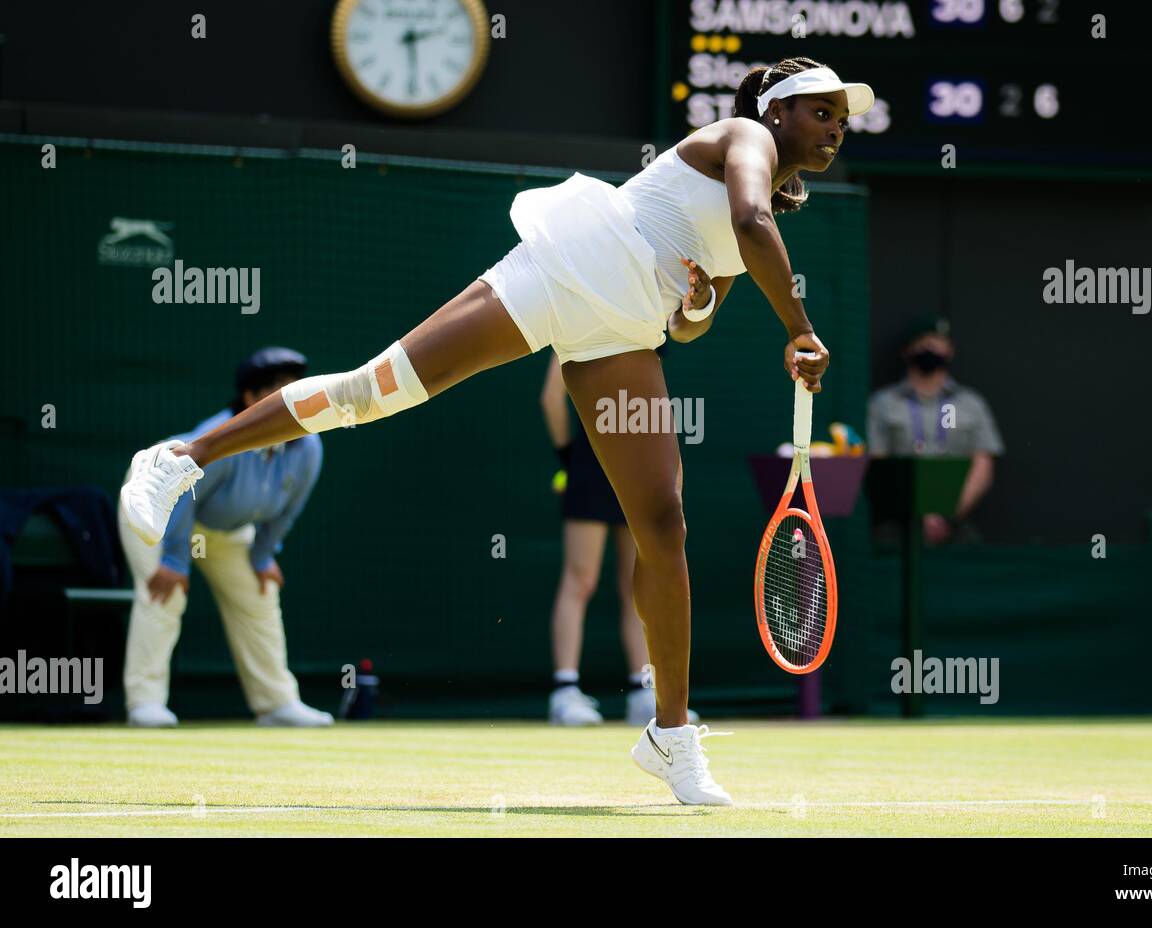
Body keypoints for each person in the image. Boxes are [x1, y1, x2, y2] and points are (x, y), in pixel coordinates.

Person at [120, 57, 873, 805]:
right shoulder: (745, 139)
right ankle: (182, 457)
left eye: (843, 119)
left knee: (662, 524)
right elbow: (748, 221)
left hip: (622, 331)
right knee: (372, 390)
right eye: (822, 111)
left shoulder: (761, 204)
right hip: (572, 265)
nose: (836, 128)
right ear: (776, 111)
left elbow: (691, 324)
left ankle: (670, 736)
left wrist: (700, 301)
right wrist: (800, 329)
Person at [118, 347, 333, 727]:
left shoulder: (308, 447)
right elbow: (180, 497)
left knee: (259, 592)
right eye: (279, 390)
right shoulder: (222, 437)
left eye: (295, 389)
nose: (291, 400)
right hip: (158, 506)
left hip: (226, 529)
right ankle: (144, 704)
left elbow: (287, 510)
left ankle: (277, 704)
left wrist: (263, 555)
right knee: (165, 593)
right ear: (250, 398)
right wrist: (174, 559)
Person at [540, 348, 700, 727]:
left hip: (639, 464)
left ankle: (644, 693)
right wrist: (571, 458)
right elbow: (551, 397)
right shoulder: (575, 325)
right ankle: (565, 691)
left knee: (638, 583)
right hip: (592, 466)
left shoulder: (651, 327)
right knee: (581, 579)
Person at [866, 317, 1004, 543]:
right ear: (907, 350)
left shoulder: (971, 404)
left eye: (937, 342)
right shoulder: (883, 403)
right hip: (898, 523)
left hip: (956, 525)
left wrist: (947, 515)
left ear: (950, 350)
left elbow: (983, 466)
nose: (930, 348)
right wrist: (918, 513)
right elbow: (877, 462)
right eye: (923, 342)